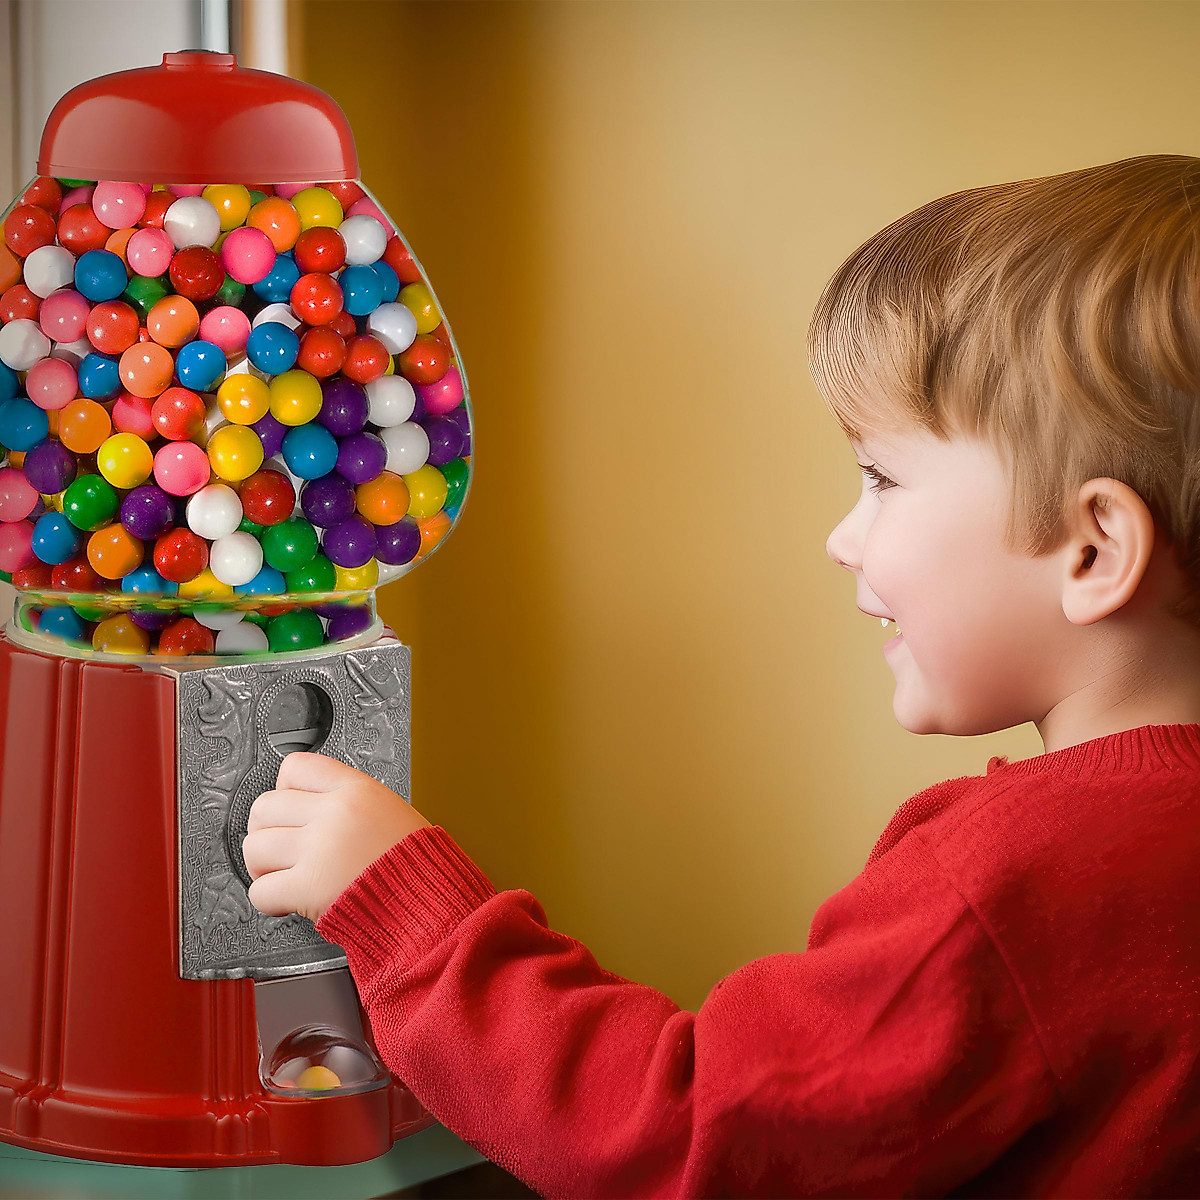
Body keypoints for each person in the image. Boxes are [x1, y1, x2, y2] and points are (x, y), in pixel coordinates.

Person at [243, 153, 1200, 1198]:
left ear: (1095, 550)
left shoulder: (1016, 885)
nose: (844, 537)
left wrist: (414, 916)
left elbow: (688, 1140)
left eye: (883, 477)